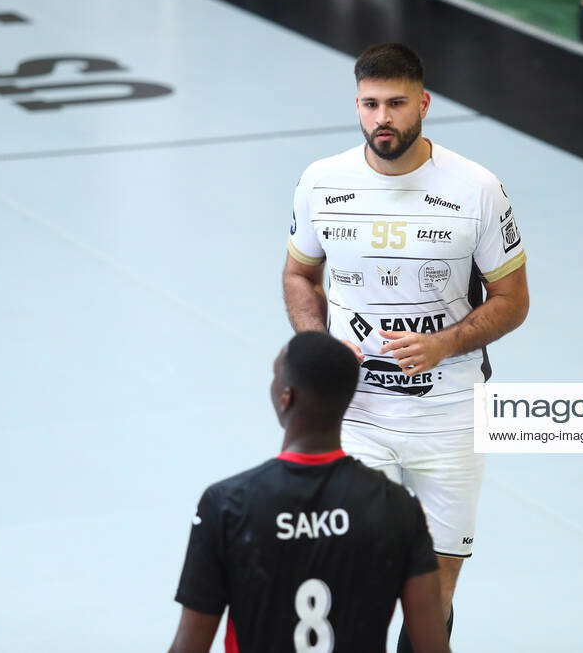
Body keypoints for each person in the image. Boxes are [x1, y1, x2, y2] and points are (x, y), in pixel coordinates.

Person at [282, 43, 529, 651]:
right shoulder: (321, 181)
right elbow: (298, 275)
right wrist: (321, 350)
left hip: (449, 412)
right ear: (357, 104)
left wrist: (446, 342)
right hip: (356, 411)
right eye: (370, 104)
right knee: (354, 576)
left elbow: (512, 300)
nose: (382, 119)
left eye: (395, 104)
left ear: (422, 103)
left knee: (435, 590)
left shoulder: (476, 188)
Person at [168, 331, 451, 653]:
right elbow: (432, 648)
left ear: (285, 397)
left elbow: (189, 647)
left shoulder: (226, 504)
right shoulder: (397, 506)